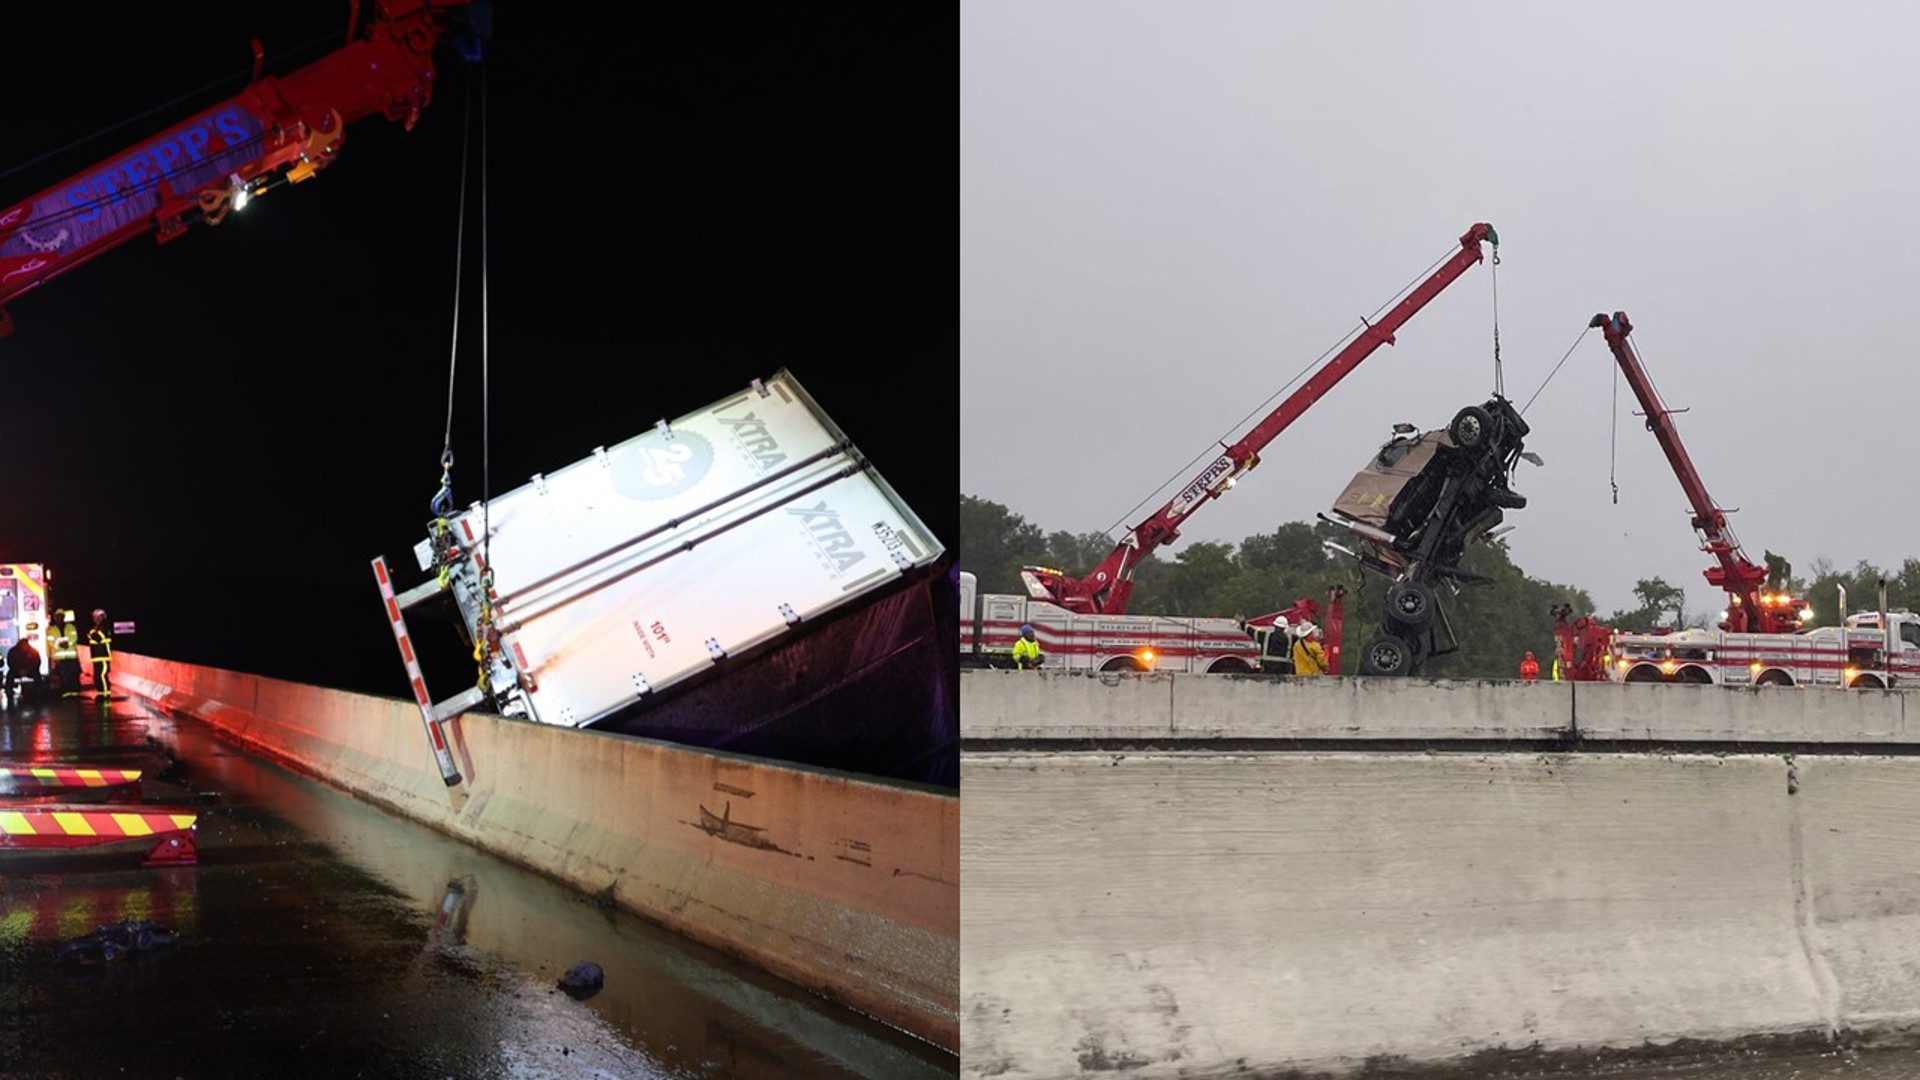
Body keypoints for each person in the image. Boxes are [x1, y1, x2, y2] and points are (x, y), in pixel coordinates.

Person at [50, 611, 81, 698]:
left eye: (61, 616)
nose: (60, 618)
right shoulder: (52, 629)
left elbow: (74, 637)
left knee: (74, 674)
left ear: (63, 617)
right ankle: (66, 692)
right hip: (61, 657)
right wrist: (59, 644)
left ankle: (75, 692)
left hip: (72, 656)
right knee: (63, 675)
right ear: (55, 618)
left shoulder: (71, 627)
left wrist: (68, 644)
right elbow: (50, 640)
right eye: (58, 616)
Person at [6, 630, 42, 703]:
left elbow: (37, 662)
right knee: (10, 675)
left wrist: (28, 670)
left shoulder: (33, 651)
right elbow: (10, 662)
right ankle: (9, 692)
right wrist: (18, 670)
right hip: (17, 671)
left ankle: (39, 691)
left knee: (37, 675)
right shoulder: (13, 651)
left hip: (30, 670)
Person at [86, 608, 112, 698]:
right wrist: (92, 634)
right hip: (96, 657)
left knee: (102, 675)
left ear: (101, 617)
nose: (94, 618)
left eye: (95, 617)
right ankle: (100, 693)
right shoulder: (95, 628)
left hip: (103, 657)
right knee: (97, 676)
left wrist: (91, 634)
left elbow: (97, 637)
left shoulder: (105, 627)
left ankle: (106, 694)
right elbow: (91, 635)